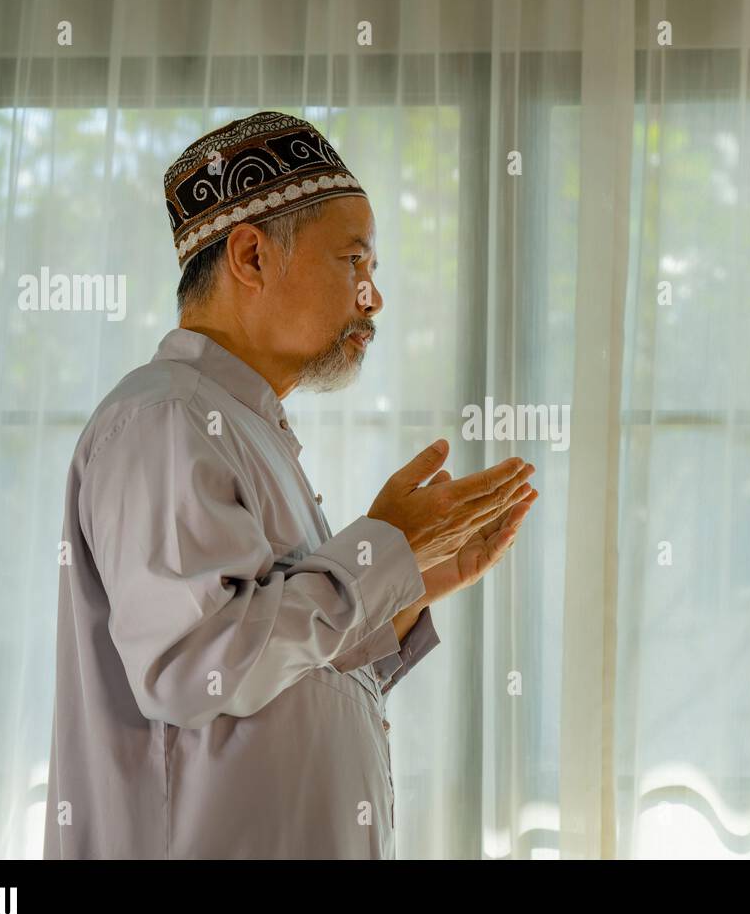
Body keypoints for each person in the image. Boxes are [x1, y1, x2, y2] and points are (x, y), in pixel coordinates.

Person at [44, 111, 537, 858]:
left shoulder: (235, 427)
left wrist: (406, 588)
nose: (373, 298)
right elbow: (197, 666)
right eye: (354, 262)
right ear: (250, 256)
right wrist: (379, 556)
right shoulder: (166, 418)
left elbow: (271, 683)